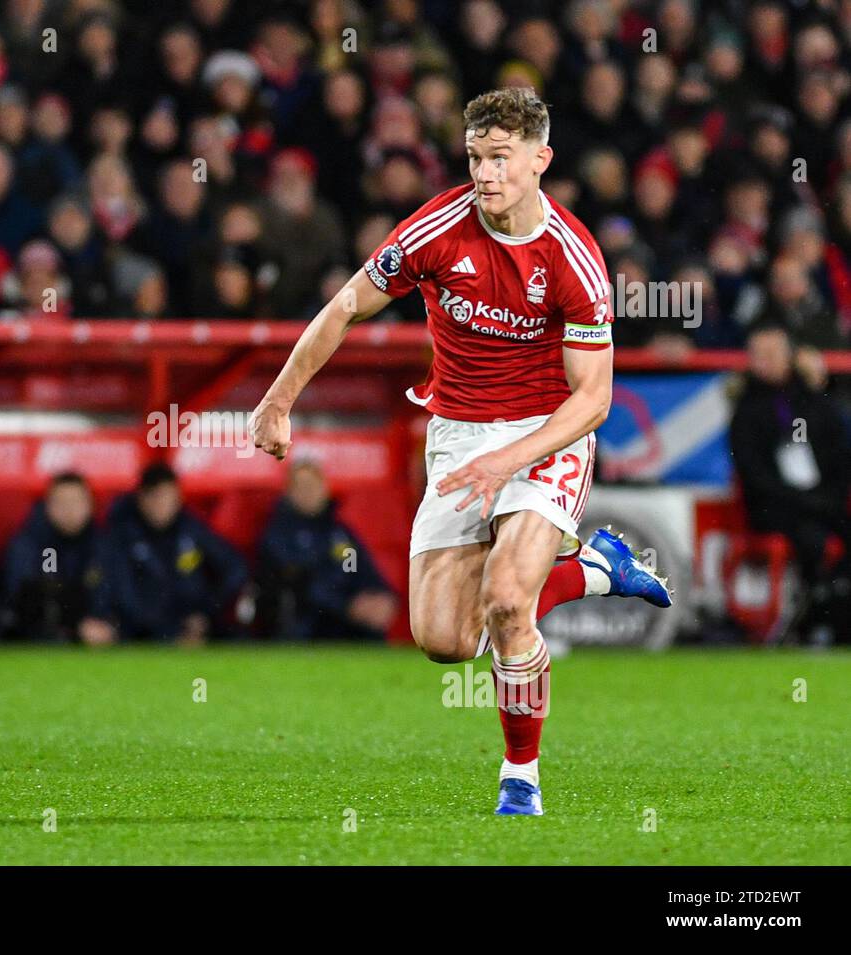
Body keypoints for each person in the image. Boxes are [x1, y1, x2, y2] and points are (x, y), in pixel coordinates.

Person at [248, 88, 672, 816]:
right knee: (445, 640)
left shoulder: (574, 260)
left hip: (547, 433)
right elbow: (348, 303)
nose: (484, 173)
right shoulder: (435, 230)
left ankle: (522, 776)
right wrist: (279, 398)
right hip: (458, 437)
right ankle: (594, 569)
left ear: (540, 160)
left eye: (500, 158)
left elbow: (593, 399)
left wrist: (511, 462)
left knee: (509, 599)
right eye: (474, 157)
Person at [728, 324, 851, 644]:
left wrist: (825, 498)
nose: (765, 362)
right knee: (811, 540)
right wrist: (802, 500)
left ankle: (835, 611)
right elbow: (753, 475)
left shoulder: (816, 402)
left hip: (823, 503)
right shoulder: (746, 411)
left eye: (773, 354)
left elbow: (839, 457)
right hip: (776, 509)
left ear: (791, 357)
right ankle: (813, 621)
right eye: (758, 355)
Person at [97, 462, 246, 645]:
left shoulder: (191, 529)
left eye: (168, 497)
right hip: (139, 632)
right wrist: (167, 630)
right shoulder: (122, 536)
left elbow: (235, 567)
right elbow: (121, 591)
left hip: (192, 626)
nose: (162, 505)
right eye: (155, 497)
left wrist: (205, 612)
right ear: (141, 498)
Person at [257, 460, 397, 641]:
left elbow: (356, 569)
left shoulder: (339, 533)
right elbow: (299, 583)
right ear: (289, 492)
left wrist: (379, 596)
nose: (309, 493)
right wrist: (347, 606)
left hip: (347, 620)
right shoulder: (279, 533)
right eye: (302, 486)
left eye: (314, 485)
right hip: (307, 622)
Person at [0, 472, 115, 645]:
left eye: (76, 502)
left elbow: (111, 592)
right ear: (48, 506)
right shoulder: (31, 543)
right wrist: (76, 625)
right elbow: (29, 596)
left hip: (95, 634)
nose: (69, 510)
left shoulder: (102, 544)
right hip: (37, 637)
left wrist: (105, 623)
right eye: (62, 503)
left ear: (90, 505)